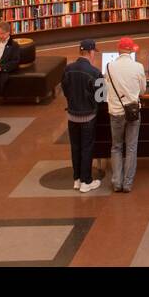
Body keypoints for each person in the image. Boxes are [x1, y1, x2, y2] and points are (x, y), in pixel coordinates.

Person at [105, 36, 146, 193]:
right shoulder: (138, 67)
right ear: (131, 50)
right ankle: (128, 183)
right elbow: (142, 90)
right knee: (131, 147)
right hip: (133, 112)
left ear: (118, 50)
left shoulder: (109, 67)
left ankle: (117, 182)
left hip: (115, 112)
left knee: (116, 147)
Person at [61, 39, 102, 193]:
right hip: (88, 117)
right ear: (91, 53)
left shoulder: (67, 69)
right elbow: (101, 97)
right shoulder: (95, 72)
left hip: (72, 115)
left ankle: (77, 179)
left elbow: (65, 90)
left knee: (75, 147)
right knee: (87, 148)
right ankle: (86, 181)